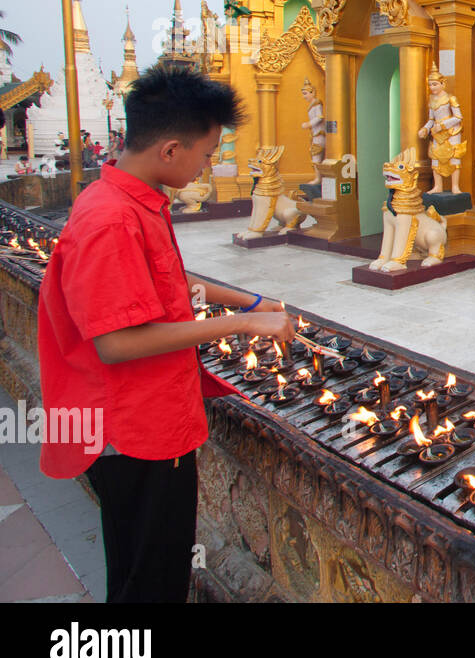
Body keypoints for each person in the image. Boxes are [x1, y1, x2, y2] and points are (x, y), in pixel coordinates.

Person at [38, 64, 295, 603]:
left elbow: (171, 285)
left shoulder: (134, 200)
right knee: (151, 581)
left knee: (142, 569)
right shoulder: (110, 220)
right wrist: (246, 323)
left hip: (145, 418)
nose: (208, 166)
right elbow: (117, 343)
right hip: (132, 430)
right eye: (207, 155)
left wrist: (251, 300)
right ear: (171, 150)